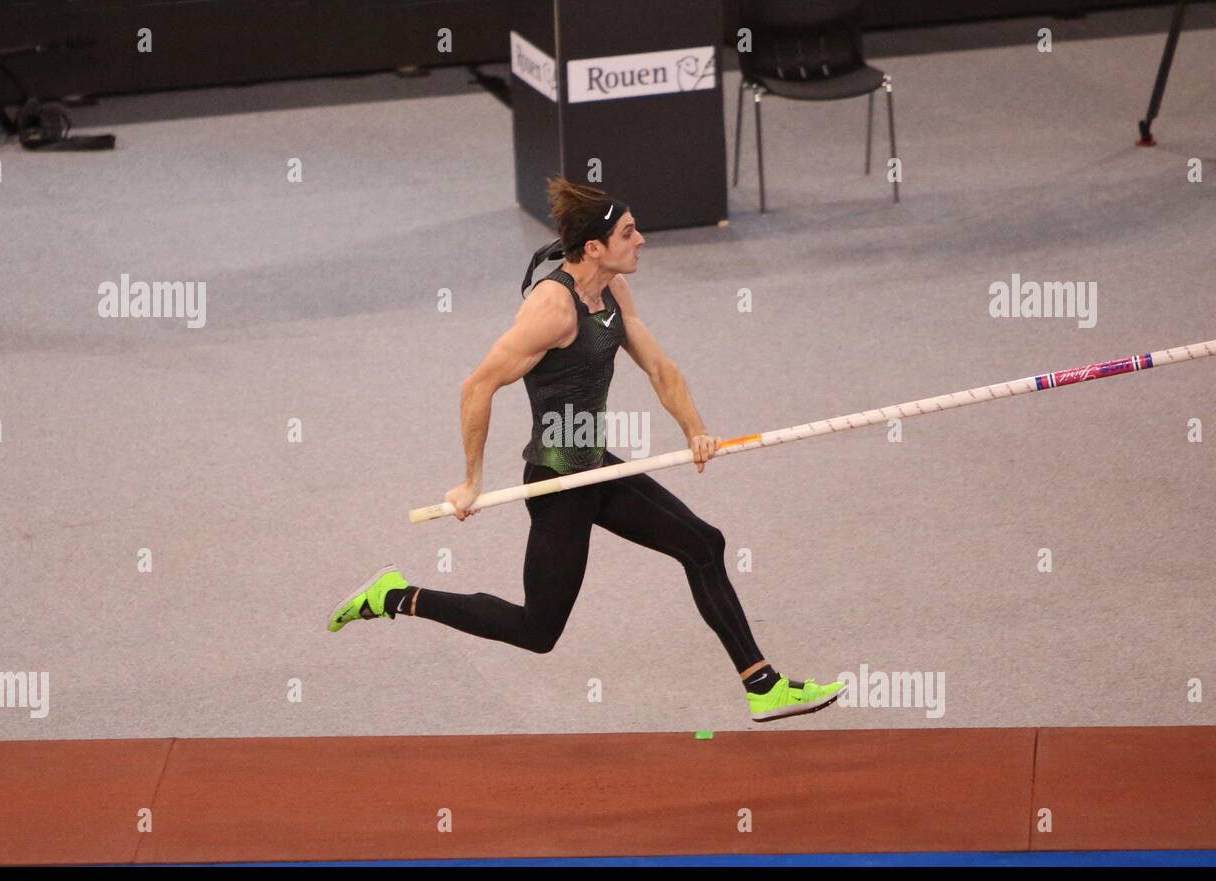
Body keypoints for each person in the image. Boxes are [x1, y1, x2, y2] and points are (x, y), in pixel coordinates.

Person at [328, 176, 843, 721]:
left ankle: (762, 685)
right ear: (594, 248)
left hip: (594, 468)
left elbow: (659, 366)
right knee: (537, 630)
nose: (641, 239)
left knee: (703, 544)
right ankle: (393, 596)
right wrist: (471, 480)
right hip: (557, 483)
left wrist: (695, 429)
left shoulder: (614, 289)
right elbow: (476, 386)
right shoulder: (553, 309)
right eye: (628, 232)